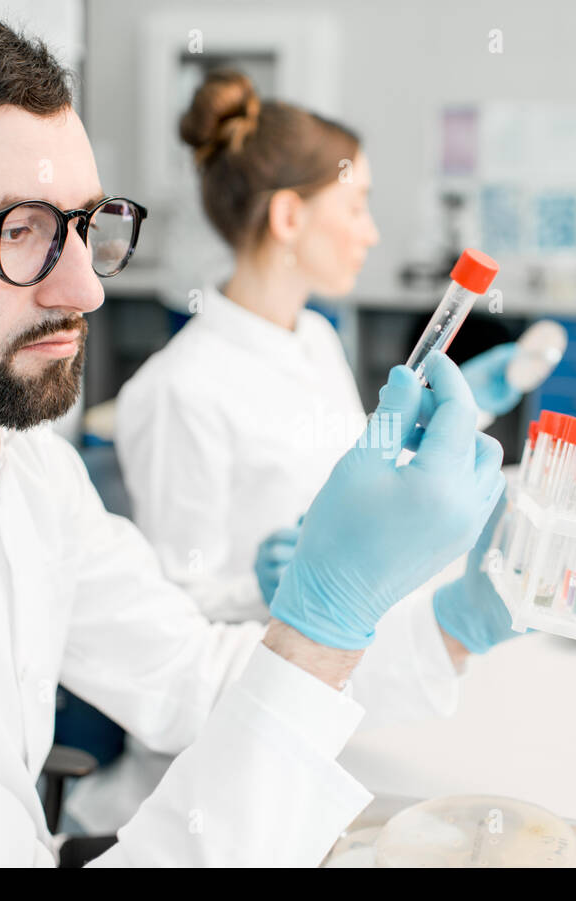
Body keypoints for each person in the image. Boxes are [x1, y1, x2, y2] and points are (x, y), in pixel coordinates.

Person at [0, 8, 504, 867]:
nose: (85, 289)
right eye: (21, 232)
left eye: (86, 225)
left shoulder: (20, 459)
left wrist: (443, 622)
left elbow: (192, 679)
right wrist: (324, 621)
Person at [115, 69, 527, 627]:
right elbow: (175, 607)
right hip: (255, 675)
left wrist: (460, 409)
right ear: (288, 216)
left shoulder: (315, 337)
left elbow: (357, 469)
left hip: (354, 642)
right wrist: (262, 589)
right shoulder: (178, 390)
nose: (371, 233)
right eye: (356, 206)